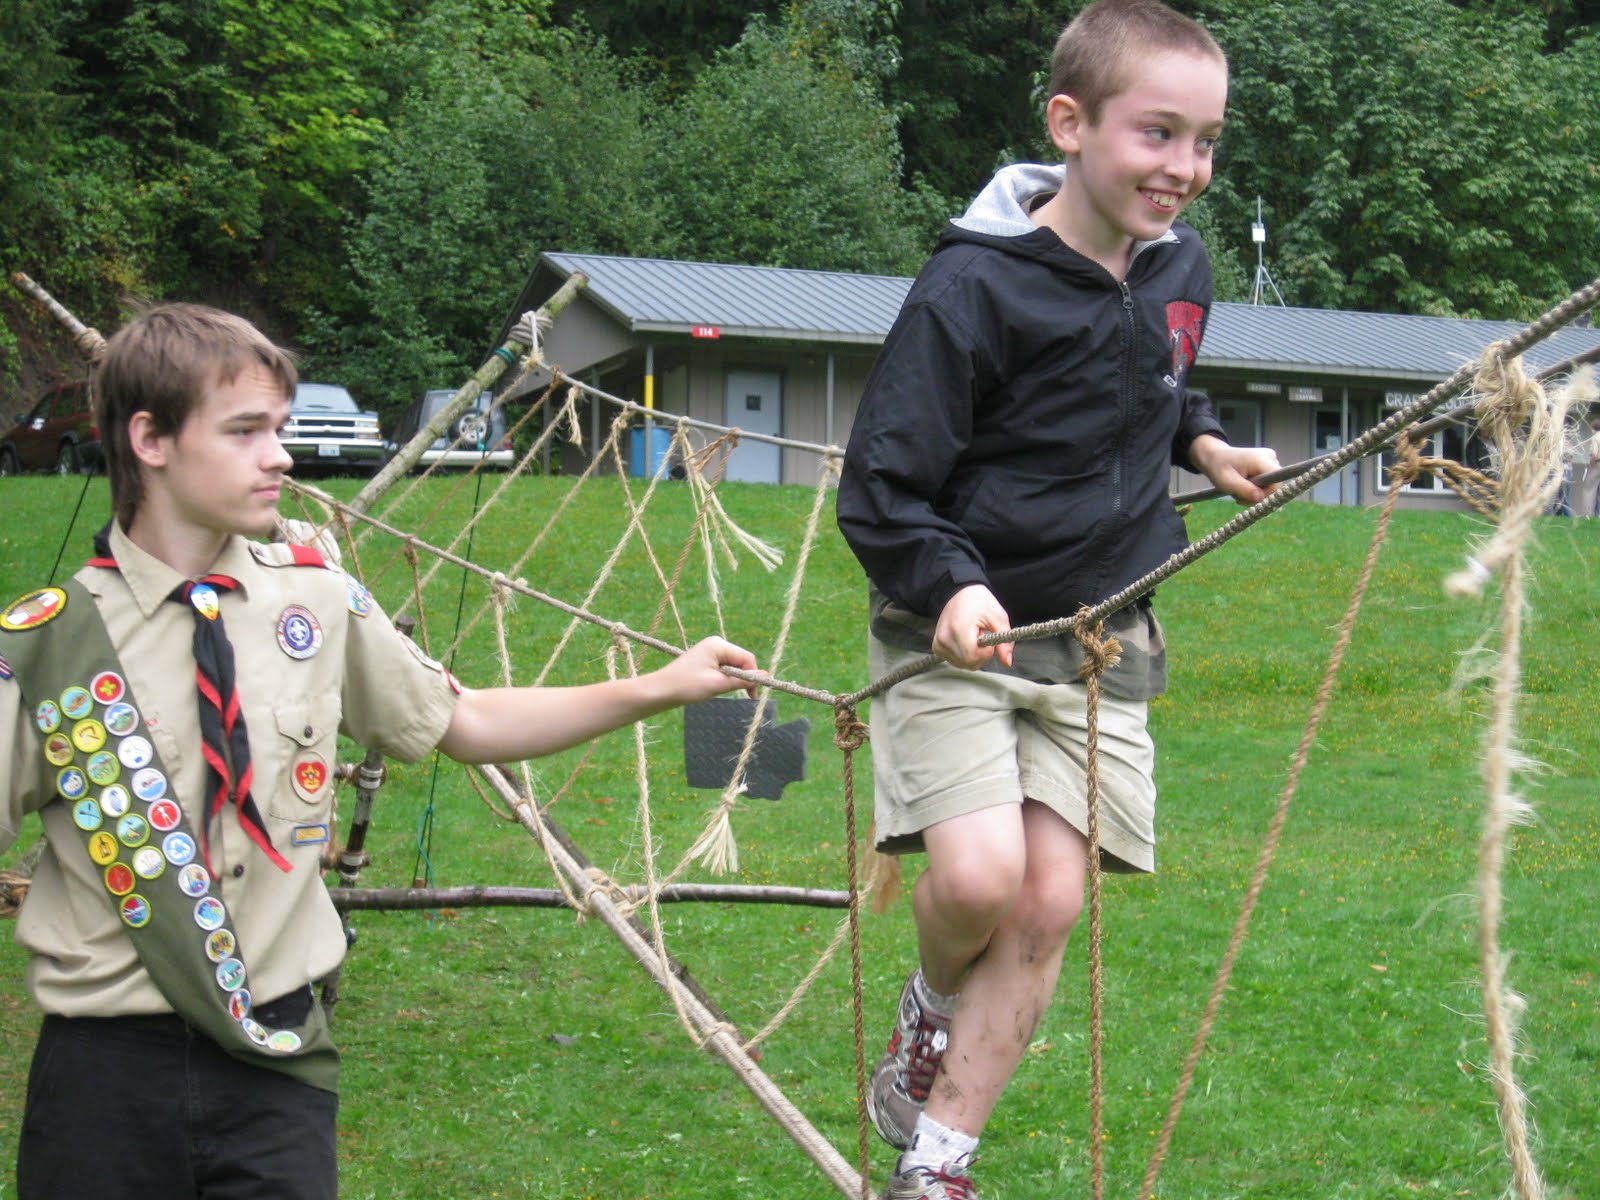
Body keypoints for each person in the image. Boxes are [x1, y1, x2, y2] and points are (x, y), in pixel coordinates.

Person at [0, 302, 760, 1199]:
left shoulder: (316, 603)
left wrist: (662, 684)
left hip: (275, 1064)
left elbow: (462, 722)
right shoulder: (46, 650)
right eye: (246, 432)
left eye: (279, 429)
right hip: (103, 1078)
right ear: (151, 440)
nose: (280, 455)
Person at [835, 3, 1280, 1197]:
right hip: (960, 639)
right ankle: (927, 1013)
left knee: (1049, 899)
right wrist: (954, 583)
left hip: (1097, 644)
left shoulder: (1181, 267)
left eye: (1206, 142)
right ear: (1068, 126)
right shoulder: (971, 287)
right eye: (1158, 134)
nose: (1184, 170)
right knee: (978, 881)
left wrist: (1206, 446)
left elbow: (1153, 388)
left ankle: (937, 1162)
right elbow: (879, 489)